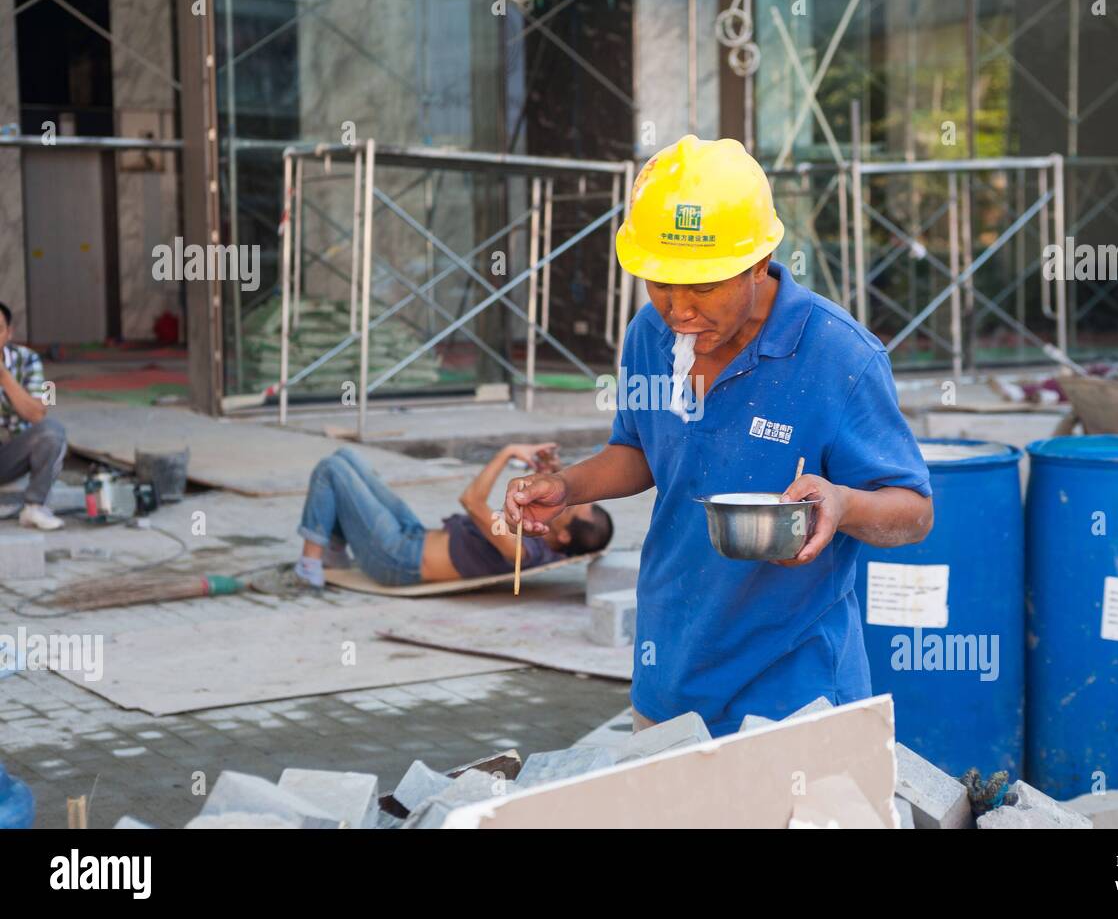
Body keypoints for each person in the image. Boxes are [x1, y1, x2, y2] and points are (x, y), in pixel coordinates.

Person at [503, 135, 933, 736]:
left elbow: (914, 513)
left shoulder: (840, 357)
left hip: (795, 693)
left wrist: (843, 502)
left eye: (702, 286)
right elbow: (639, 451)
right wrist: (567, 486)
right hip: (669, 667)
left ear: (758, 264)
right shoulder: (648, 337)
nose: (678, 310)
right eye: (660, 283)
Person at [254, 443, 613, 595]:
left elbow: (471, 501)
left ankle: (309, 571)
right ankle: (331, 551)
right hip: (412, 533)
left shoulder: (526, 554)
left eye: (572, 509)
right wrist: (549, 473)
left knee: (332, 470)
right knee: (346, 457)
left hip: (397, 559)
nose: (565, 504)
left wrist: (507, 453)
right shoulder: (538, 529)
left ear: (565, 537)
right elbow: (547, 493)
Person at [0, 301, 67, 531]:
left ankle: (34, 508)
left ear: (9, 333)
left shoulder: (28, 359)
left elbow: (38, 412)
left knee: (52, 431)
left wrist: (3, 376)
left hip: (10, 455)